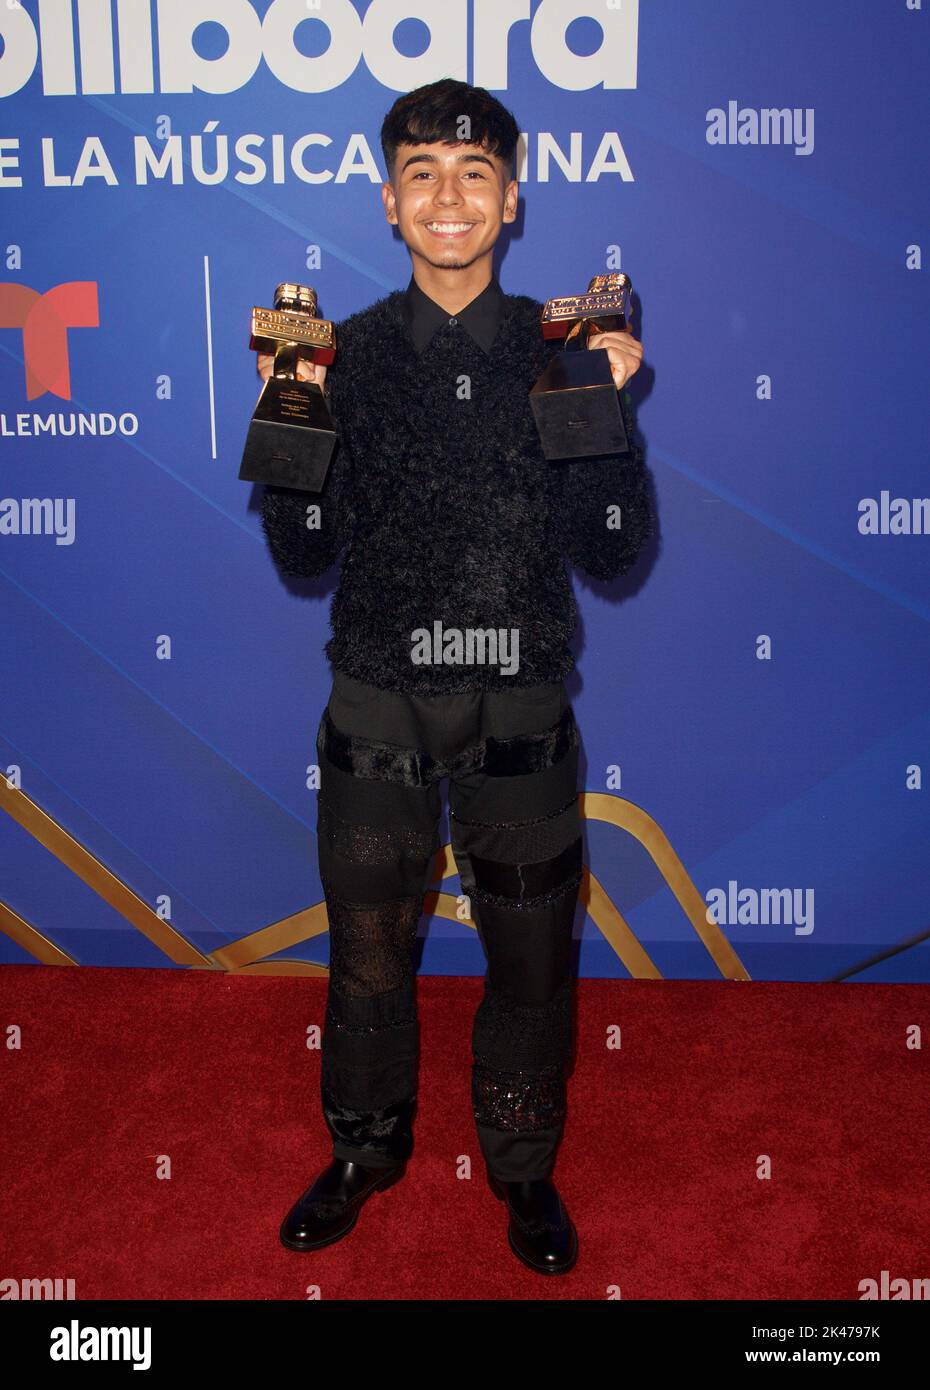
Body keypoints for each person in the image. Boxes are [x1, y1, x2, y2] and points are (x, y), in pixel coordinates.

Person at [257, 78, 652, 1277]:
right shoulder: (345, 354)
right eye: (422, 172)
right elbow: (305, 558)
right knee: (368, 953)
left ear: (512, 198)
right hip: (378, 701)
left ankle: (523, 1173)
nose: (448, 195)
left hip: (522, 708)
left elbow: (617, 553)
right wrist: (296, 425)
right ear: (388, 202)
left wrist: (605, 412)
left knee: (532, 962)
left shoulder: (561, 352)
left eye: (474, 173)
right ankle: (366, 1152)